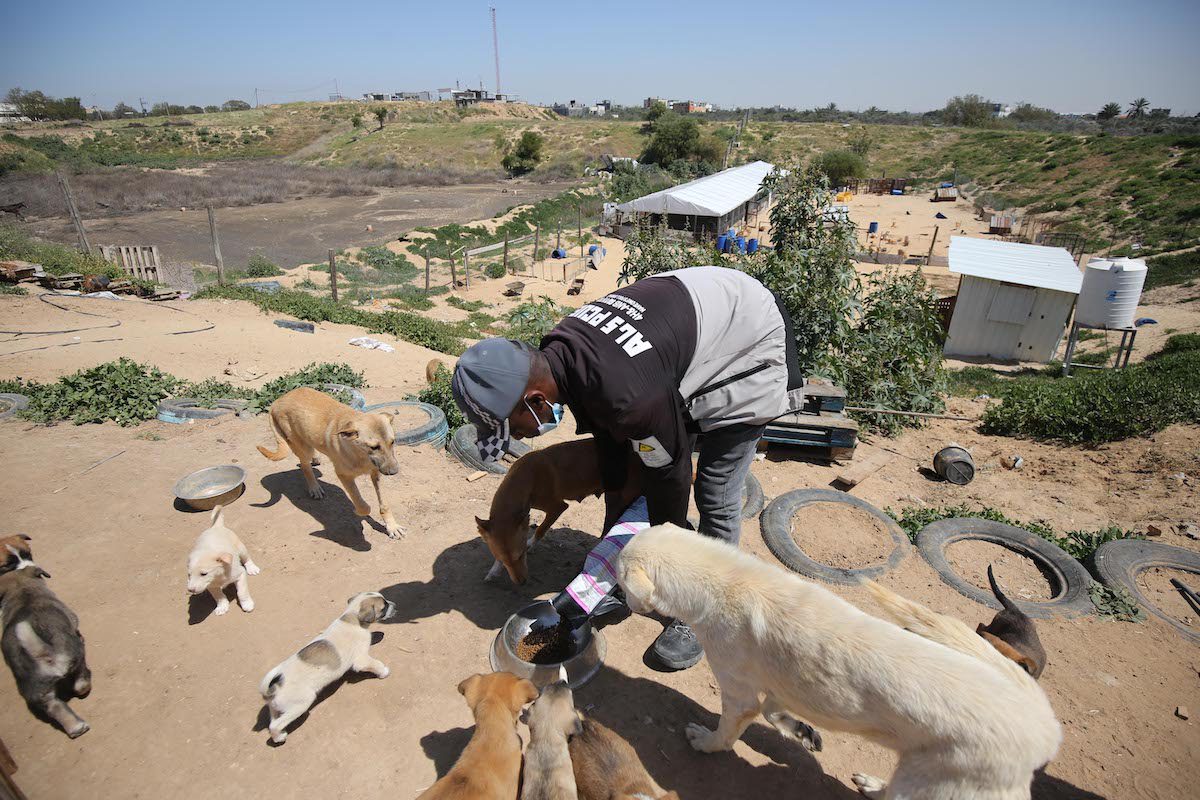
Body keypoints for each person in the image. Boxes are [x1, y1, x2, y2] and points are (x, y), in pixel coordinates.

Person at [452, 265, 802, 669]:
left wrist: (661, 555)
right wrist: (613, 555)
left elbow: (669, 475)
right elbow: (616, 457)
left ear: (535, 400)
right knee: (640, 467)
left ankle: (707, 611)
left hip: (747, 338)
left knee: (714, 490)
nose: (521, 436)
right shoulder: (565, 357)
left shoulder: (628, 396)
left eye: (513, 426)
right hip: (689, 338)